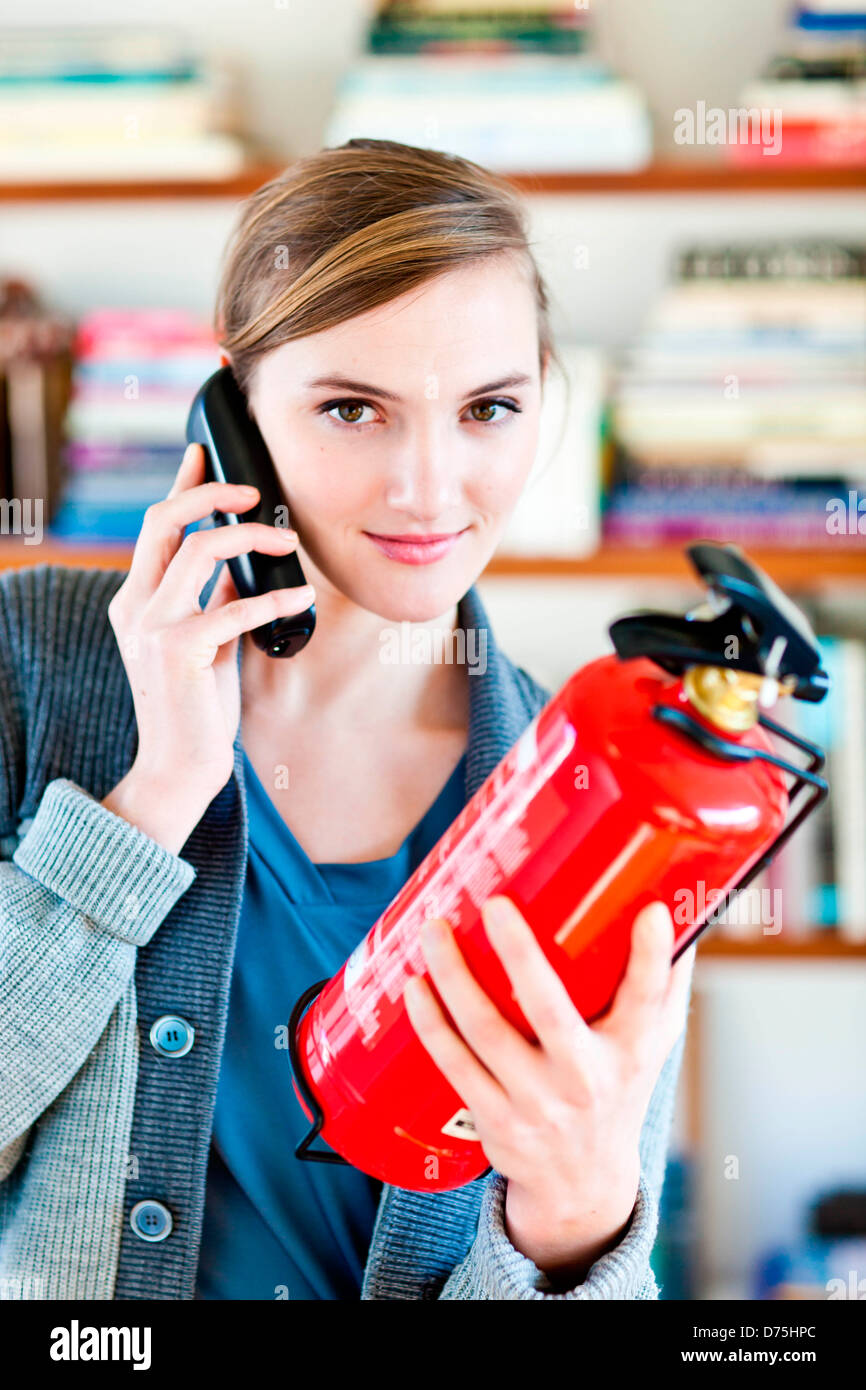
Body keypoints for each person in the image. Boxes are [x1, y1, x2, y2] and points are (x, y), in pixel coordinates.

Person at [0, 137, 693, 1301]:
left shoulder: (593, 791)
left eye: (486, 407)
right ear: (233, 411)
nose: (428, 487)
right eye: (351, 408)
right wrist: (154, 794)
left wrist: (579, 1218)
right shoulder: (35, 663)